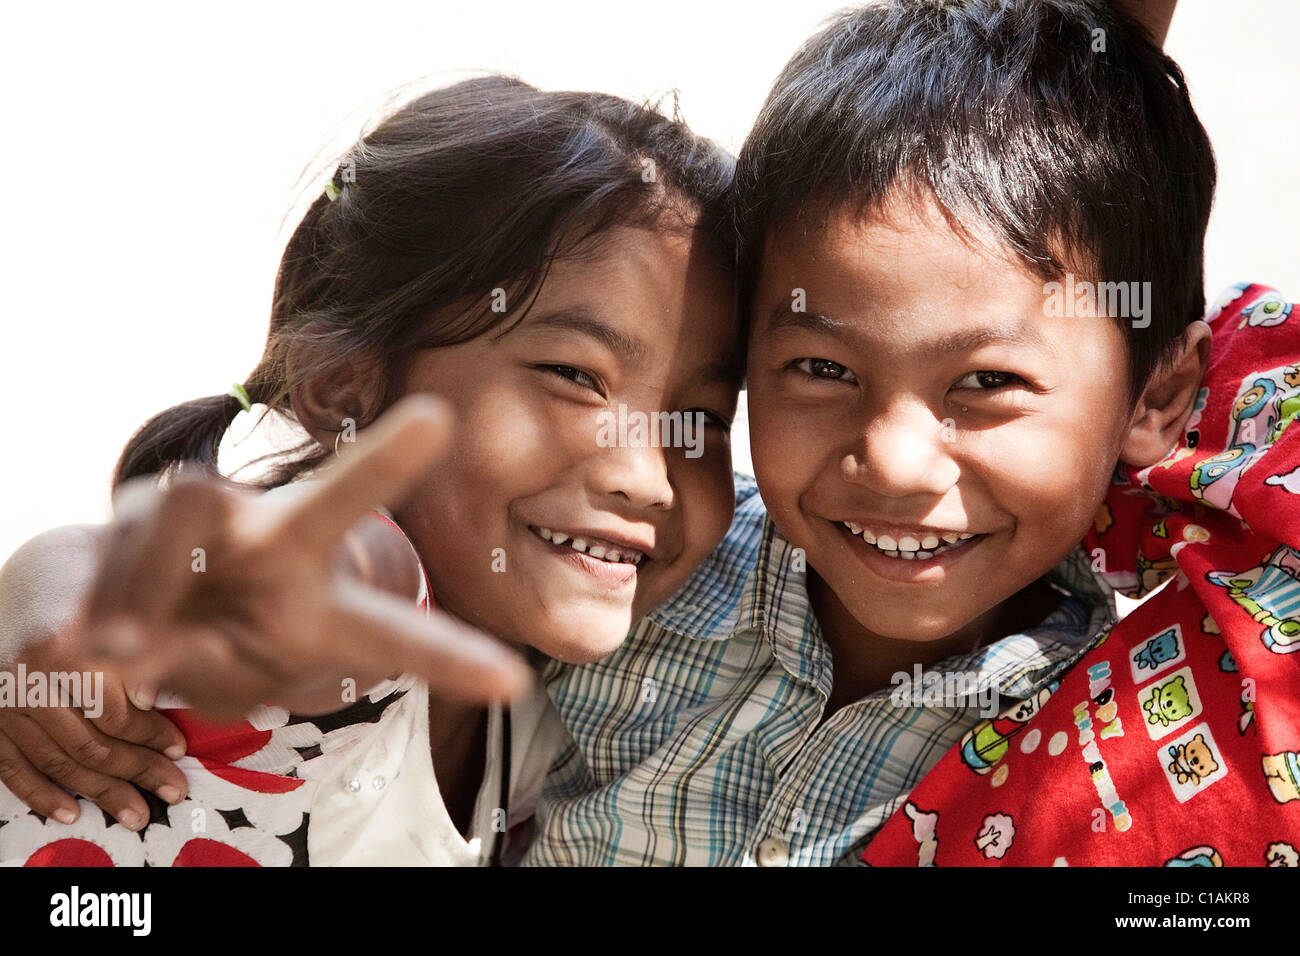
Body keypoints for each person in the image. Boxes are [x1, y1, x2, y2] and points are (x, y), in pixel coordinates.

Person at [521, 0, 1229, 865]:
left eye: (989, 382)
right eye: (822, 370)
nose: (892, 464)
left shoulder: (1125, 751)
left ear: (1156, 398)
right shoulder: (633, 566)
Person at [0, 75, 743, 865]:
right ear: (345, 386)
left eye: (700, 421)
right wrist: (66, 572)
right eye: (574, 375)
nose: (651, 476)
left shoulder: (544, 710)